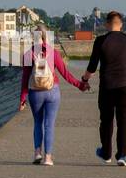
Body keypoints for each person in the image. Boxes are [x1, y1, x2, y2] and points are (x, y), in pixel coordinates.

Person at [82, 11, 126, 167]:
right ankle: (122, 155)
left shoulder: (101, 40)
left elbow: (92, 66)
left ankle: (106, 153)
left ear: (107, 24)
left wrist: (84, 79)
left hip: (107, 86)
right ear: (121, 24)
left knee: (107, 120)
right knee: (123, 120)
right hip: (125, 86)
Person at [19, 28, 87, 165]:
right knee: (49, 125)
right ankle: (48, 158)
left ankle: (37, 153)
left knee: (38, 123)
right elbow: (66, 74)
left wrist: (22, 99)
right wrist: (80, 85)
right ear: (46, 37)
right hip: (52, 91)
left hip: (35, 93)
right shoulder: (54, 53)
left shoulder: (28, 54)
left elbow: (25, 79)